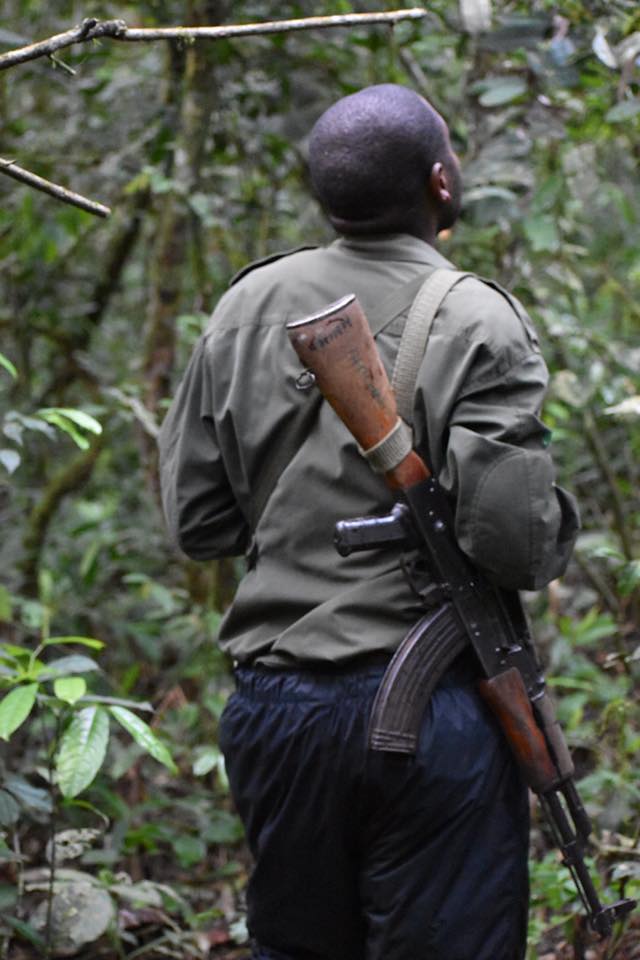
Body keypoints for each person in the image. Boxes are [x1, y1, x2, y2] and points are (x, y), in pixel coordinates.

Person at [158, 84, 580, 960]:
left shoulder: (243, 307)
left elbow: (198, 522)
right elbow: (515, 542)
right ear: (441, 181)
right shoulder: (475, 317)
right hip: (432, 717)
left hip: (278, 714)